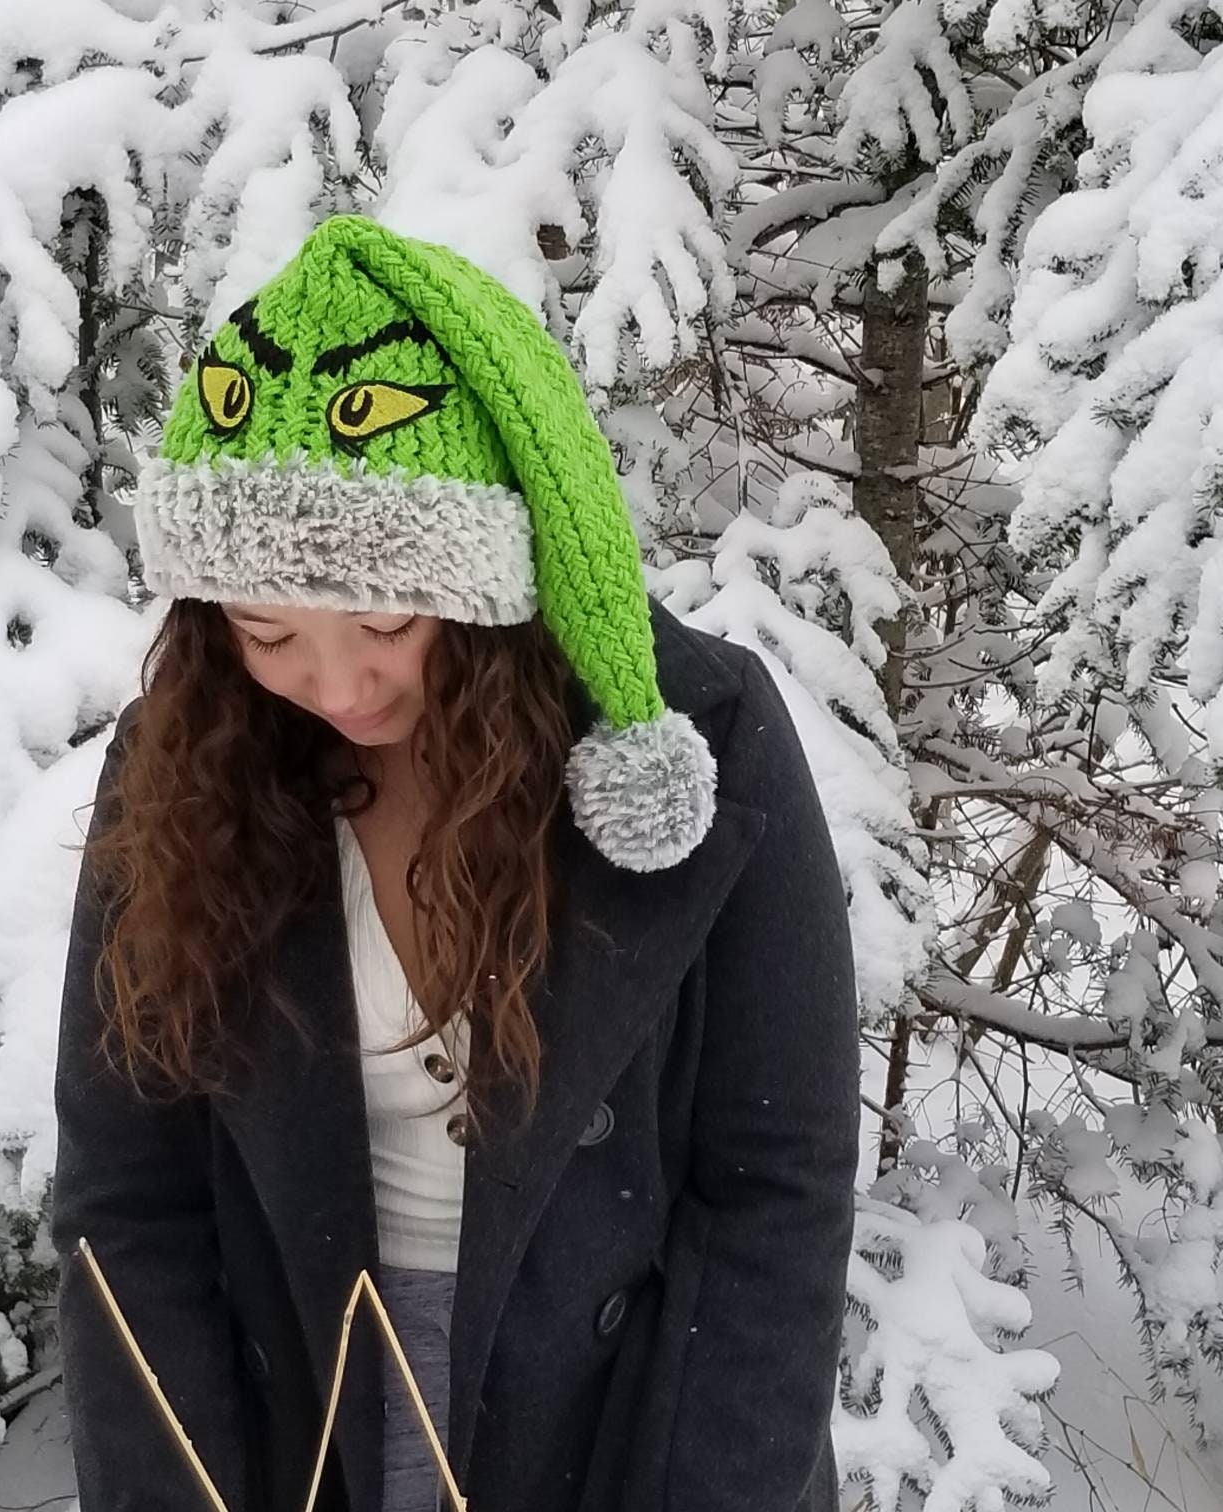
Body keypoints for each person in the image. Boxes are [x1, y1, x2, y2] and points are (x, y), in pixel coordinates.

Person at [50, 214, 860, 1512]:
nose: (334, 686)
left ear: (486, 576)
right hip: (302, 1424)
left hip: (630, 1431)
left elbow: (776, 1188)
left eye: (383, 623)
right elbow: (128, 1197)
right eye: (266, 630)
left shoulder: (702, 742)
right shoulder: (185, 770)